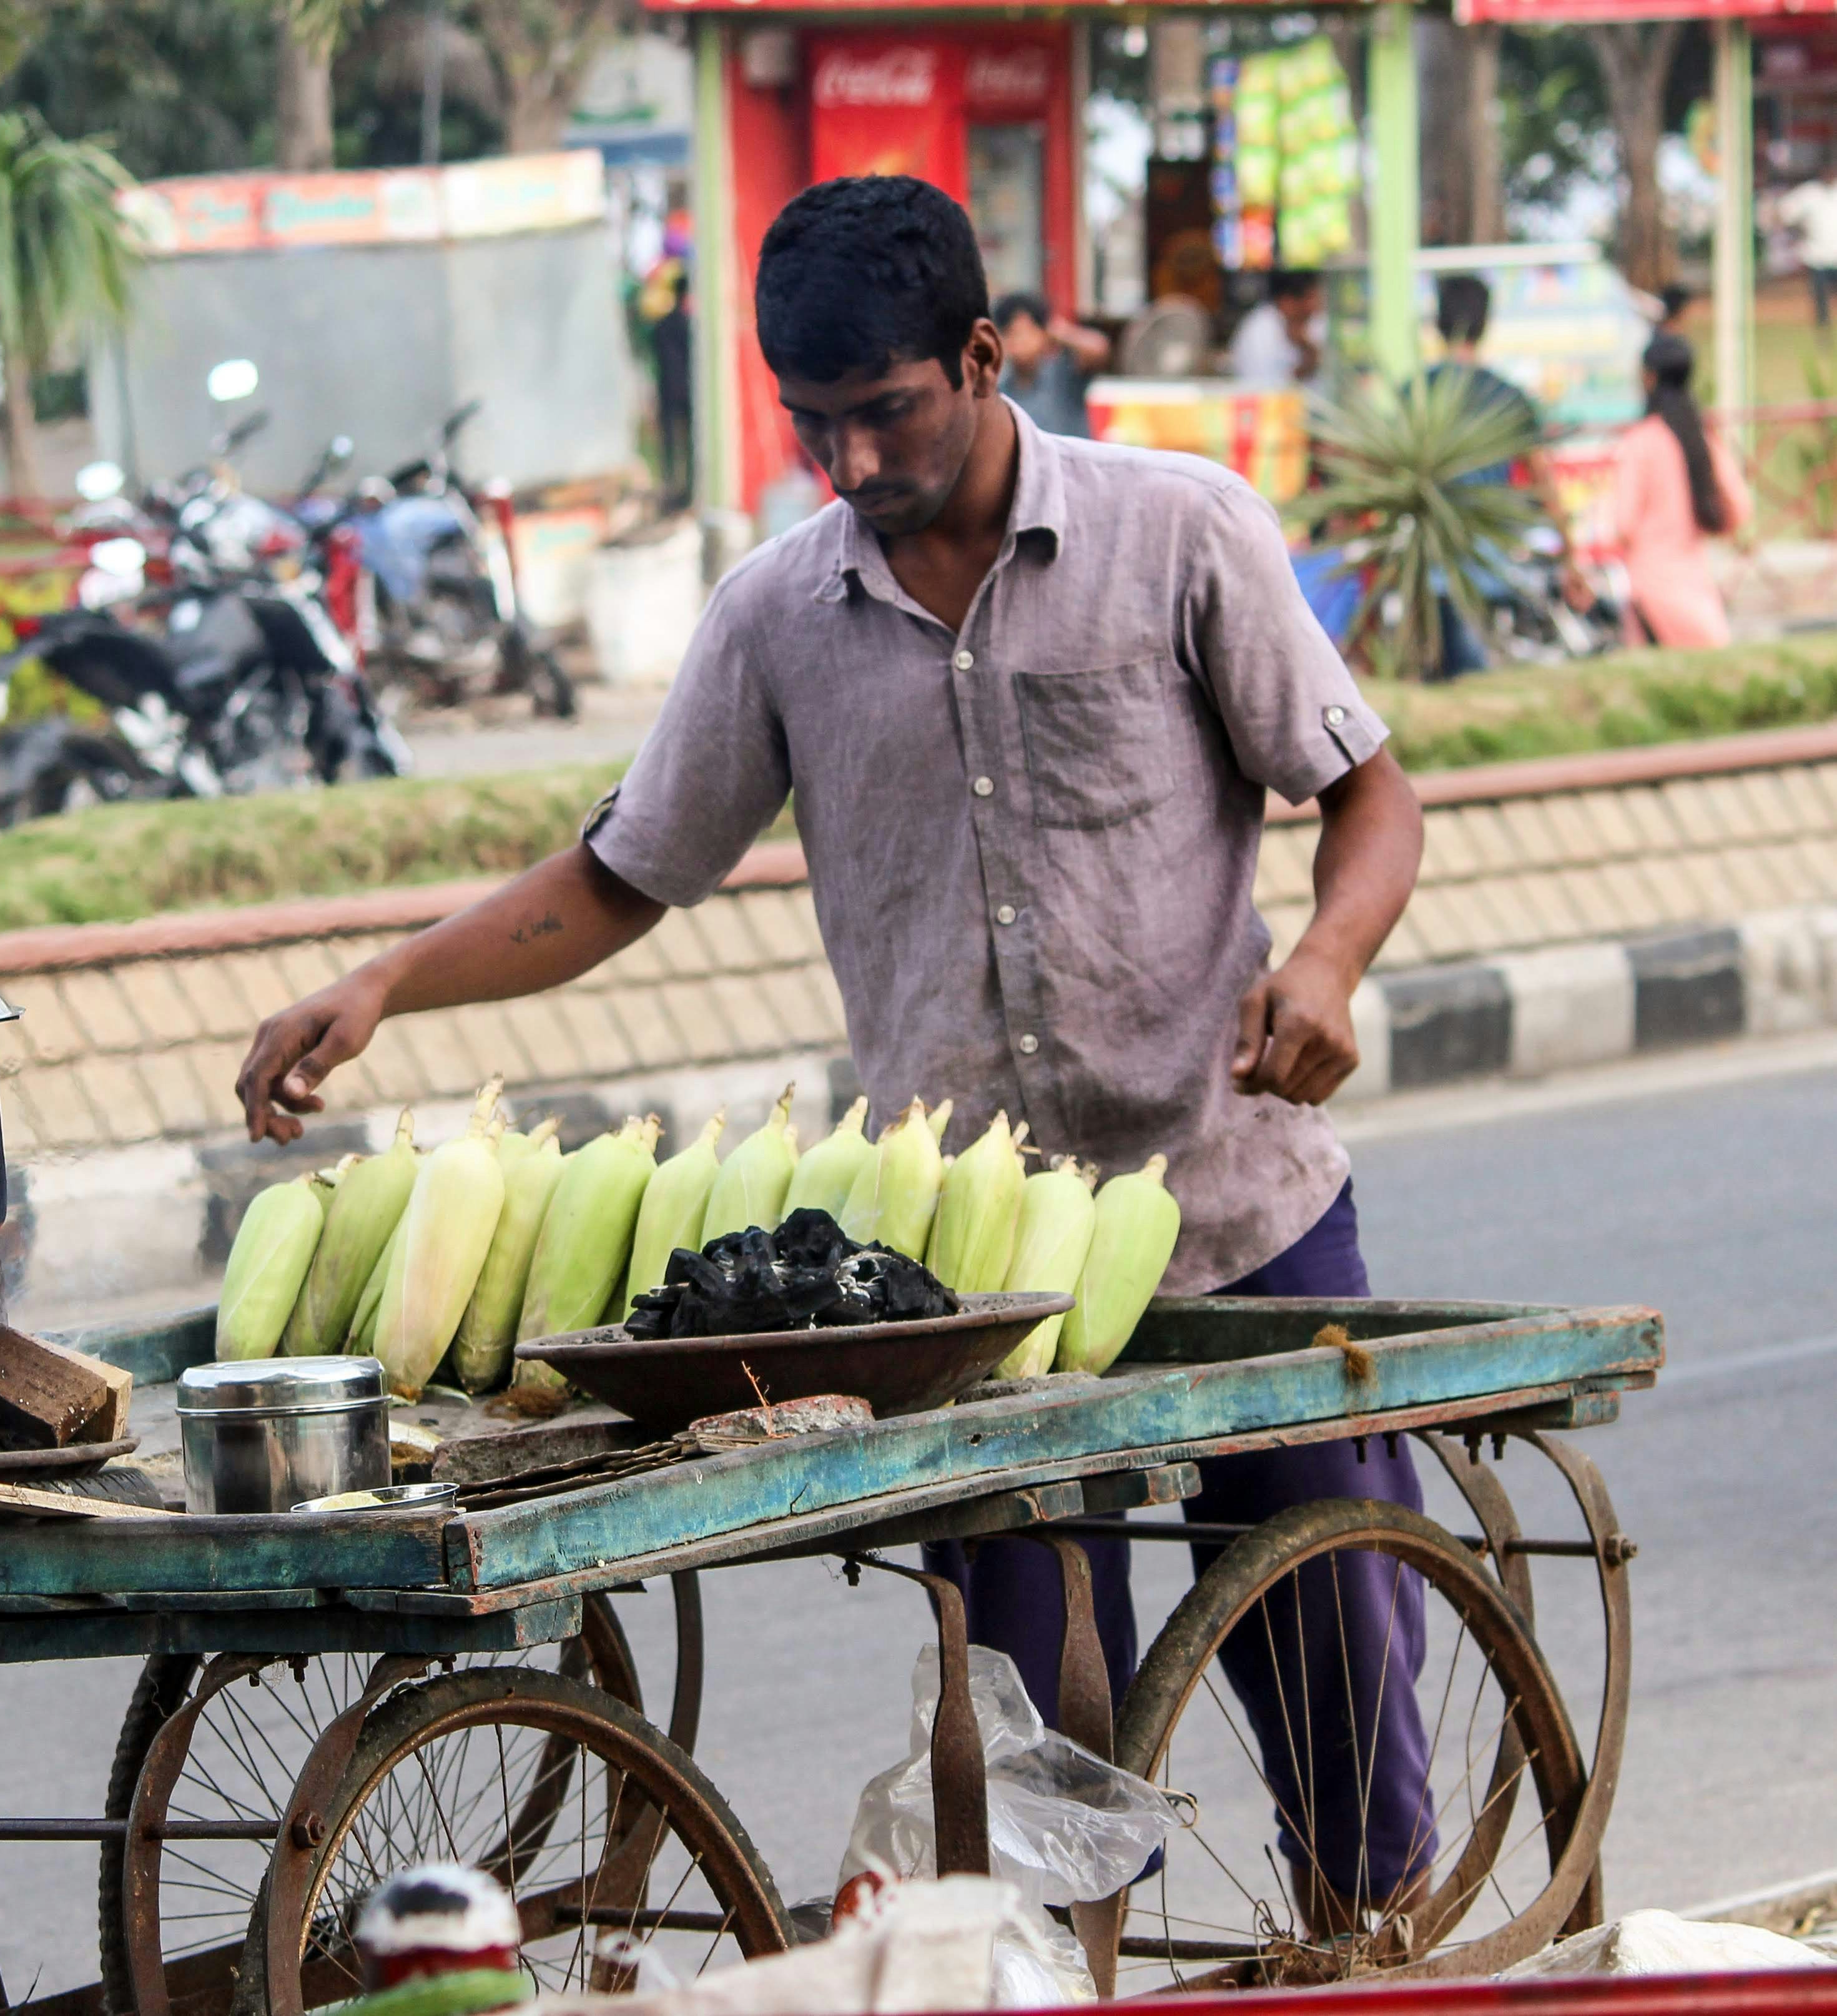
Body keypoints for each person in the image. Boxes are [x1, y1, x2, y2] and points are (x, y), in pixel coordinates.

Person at [232, 176, 1430, 1933]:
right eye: (816, 425)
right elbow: (616, 876)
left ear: (979, 352)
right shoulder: (775, 615)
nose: (854, 458)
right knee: (1011, 1760)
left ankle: (1394, 1951)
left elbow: (1367, 794)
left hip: (1230, 1209)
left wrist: (1326, 959)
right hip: (952, 1290)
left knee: (1338, 1696)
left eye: (888, 409)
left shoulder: (1179, 531)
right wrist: (384, 983)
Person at [1426, 273, 1587, 676]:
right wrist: (1571, 557)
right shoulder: (1505, 395)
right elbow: (1542, 479)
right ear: (1486, 324)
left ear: (1438, 322)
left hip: (1428, 565)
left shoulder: (1417, 392)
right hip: (1490, 563)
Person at [1603, 333, 1751, 650]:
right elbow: (1738, 508)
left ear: (1648, 378)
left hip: (1651, 586)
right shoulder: (1701, 438)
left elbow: (1623, 524)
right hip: (1697, 587)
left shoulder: (1641, 442)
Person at [992, 290, 1108, 440]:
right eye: (1012, 334)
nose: (1020, 342)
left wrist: (1060, 332)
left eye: (1028, 333)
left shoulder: (1064, 374)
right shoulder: (998, 389)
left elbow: (1099, 349)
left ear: (1044, 334)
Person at [1229, 268, 1323, 389]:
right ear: (1286, 300)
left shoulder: (1316, 322)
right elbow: (1262, 391)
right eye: (1310, 297)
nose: (1315, 306)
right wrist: (1307, 365)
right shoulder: (1259, 330)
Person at [652, 272, 694, 509]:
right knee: (688, 444)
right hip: (687, 393)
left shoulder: (661, 326)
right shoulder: (689, 326)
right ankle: (686, 490)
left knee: (669, 445)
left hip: (667, 392)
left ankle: (670, 490)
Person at [1779, 169, 1837, 330]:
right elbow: (1784, 213)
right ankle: (1823, 332)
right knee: (1821, 301)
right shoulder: (1809, 193)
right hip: (1817, 257)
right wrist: (1797, 232)